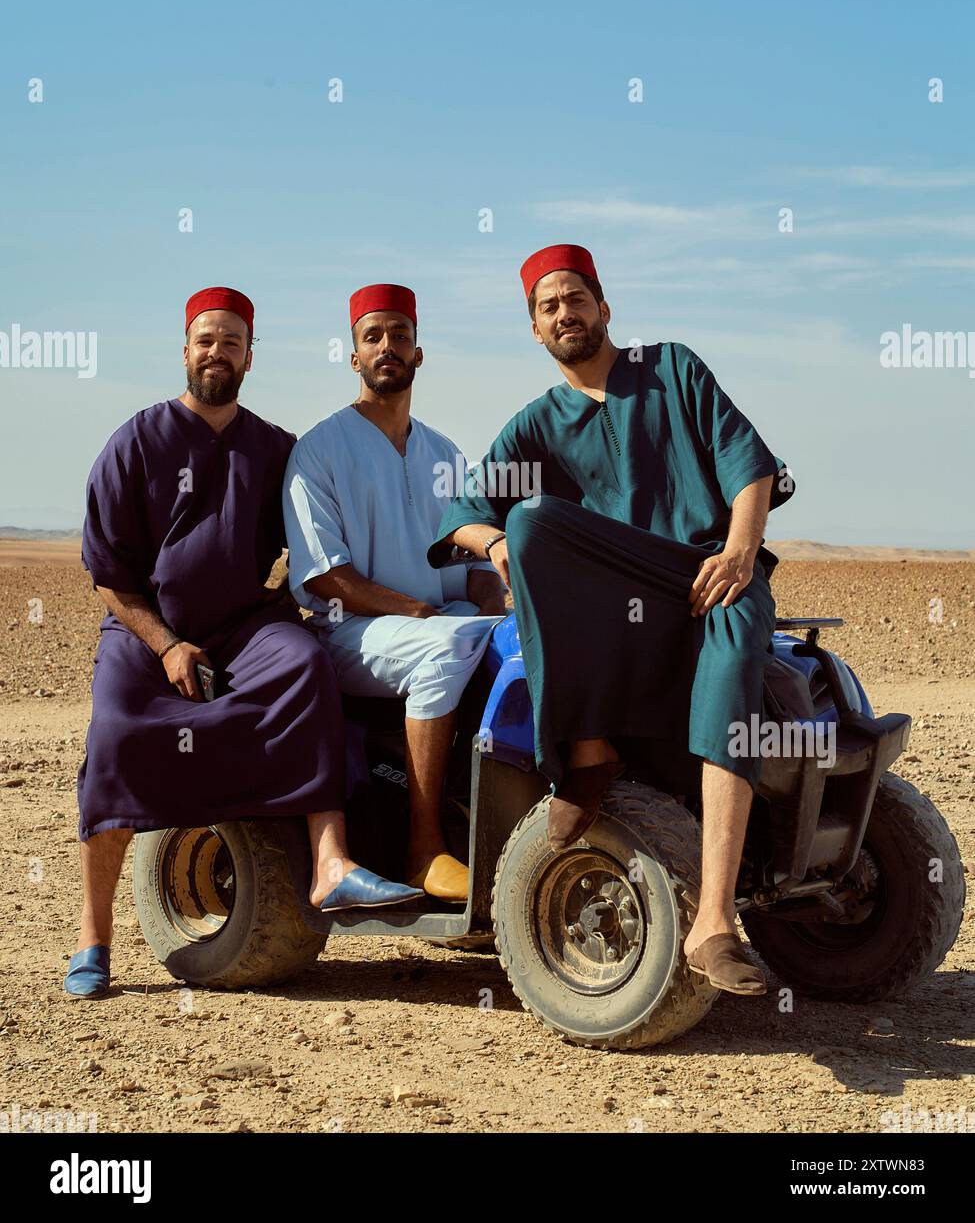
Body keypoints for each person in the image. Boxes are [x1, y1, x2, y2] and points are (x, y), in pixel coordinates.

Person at [428, 244, 796, 994]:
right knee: (528, 522)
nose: (564, 313)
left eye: (574, 298)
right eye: (547, 306)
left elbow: (750, 466)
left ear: (603, 306)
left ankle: (714, 923)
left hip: (704, 572)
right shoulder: (536, 424)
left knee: (730, 657)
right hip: (626, 594)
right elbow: (461, 514)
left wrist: (736, 551)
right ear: (535, 329)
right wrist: (495, 542)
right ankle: (586, 754)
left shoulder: (672, 368)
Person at [65, 286, 418, 1000]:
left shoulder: (274, 448)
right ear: (185, 351)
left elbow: (316, 548)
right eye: (206, 340)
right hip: (147, 628)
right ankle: (93, 937)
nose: (217, 353)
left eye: (231, 342)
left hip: (241, 628)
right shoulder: (136, 441)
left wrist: (293, 607)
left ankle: (329, 862)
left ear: (250, 357)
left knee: (305, 665)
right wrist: (165, 645)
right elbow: (109, 575)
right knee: (116, 734)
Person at [283, 284, 506, 904]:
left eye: (400, 335)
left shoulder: (445, 452)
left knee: (518, 641)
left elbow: (473, 559)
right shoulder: (320, 449)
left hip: (446, 619)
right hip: (351, 632)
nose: (388, 346)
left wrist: (495, 602)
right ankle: (423, 849)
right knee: (448, 646)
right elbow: (326, 576)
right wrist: (416, 610)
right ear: (353, 356)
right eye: (372, 337)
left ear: (419, 352)